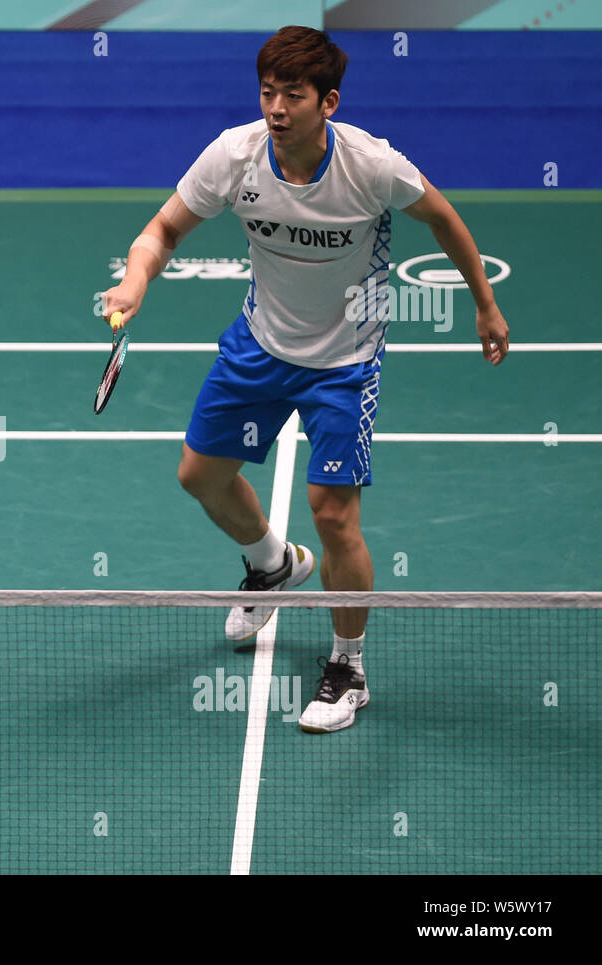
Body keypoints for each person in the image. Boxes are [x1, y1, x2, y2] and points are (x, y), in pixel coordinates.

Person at [102, 26, 510, 733]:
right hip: (260, 345)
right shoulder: (233, 156)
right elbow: (162, 230)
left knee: (333, 512)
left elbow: (443, 217)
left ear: (329, 101)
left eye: (293, 94)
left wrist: (484, 302)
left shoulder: (370, 166)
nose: (277, 107)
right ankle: (270, 563)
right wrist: (135, 280)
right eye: (268, 92)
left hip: (344, 362)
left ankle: (348, 665)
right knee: (199, 473)